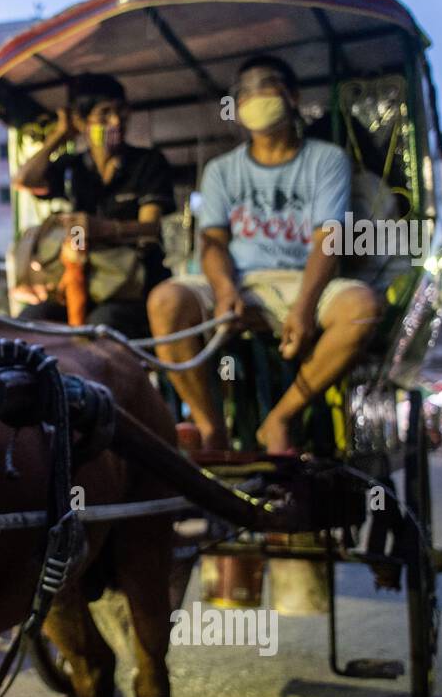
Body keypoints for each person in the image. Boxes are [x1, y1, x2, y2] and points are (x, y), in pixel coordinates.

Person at [147, 55, 382, 453]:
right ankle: (211, 429)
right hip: (237, 280)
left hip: (302, 279)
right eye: (245, 93)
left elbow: (329, 239)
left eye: (266, 85)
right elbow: (213, 243)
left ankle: (280, 420)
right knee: (164, 302)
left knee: (362, 309)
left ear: (293, 96)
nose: (256, 97)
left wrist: (304, 307)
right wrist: (224, 290)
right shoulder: (221, 170)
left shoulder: (327, 160)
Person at [10, 72, 175, 338]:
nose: (116, 121)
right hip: (80, 285)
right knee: (27, 323)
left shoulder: (148, 163)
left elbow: (151, 226)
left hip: (132, 286)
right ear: (82, 121)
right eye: (104, 114)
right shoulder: (72, 168)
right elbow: (24, 180)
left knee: (99, 330)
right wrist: (61, 133)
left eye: (120, 111)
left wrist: (103, 228)